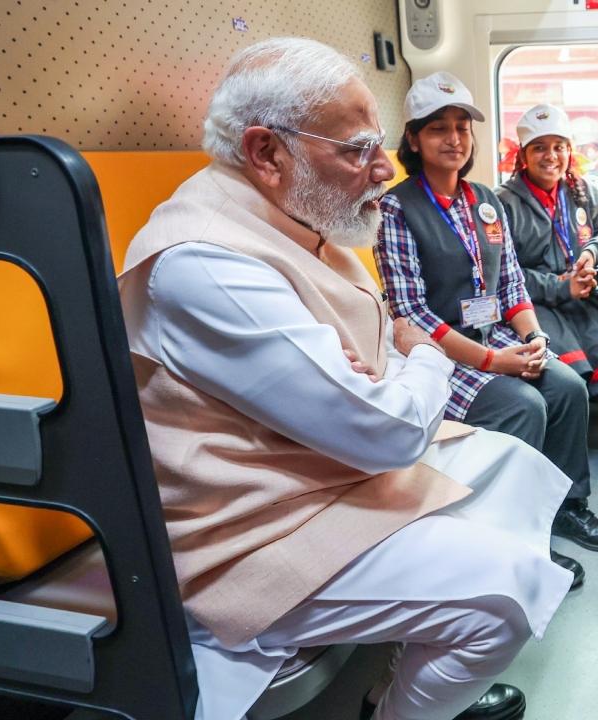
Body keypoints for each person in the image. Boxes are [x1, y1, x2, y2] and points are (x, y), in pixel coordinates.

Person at [117, 38, 571, 720]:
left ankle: (410, 665)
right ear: (269, 153)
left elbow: (377, 359)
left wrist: (390, 366)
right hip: (251, 528)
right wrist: (422, 356)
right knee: (507, 595)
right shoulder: (206, 263)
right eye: (358, 149)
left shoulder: (299, 220)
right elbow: (387, 424)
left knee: (511, 462)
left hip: (312, 470)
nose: (384, 169)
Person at [376, 73, 598, 573]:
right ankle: (519, 530)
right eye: (438, 128)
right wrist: (494, 361)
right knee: (523, 405)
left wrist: (533, 339)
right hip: (443, 353)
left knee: (569, 387)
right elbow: (412, 313)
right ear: (414, 141)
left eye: (462, 128)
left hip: (501, 338)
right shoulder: (395, 209)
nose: (454, 139)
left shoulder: (484, 201)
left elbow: (510, 285)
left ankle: (566, 506)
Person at [494, 103, 598, 402]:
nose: (551, 156)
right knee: (572, 381)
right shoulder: (501, 203)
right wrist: (560, 286)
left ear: (570, 152)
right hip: (533, 307)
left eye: (559, 147)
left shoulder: (581, 191)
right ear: (523, 155)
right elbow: (502, 274)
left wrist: (593, 251)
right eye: (540, 148)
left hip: (581, 304)